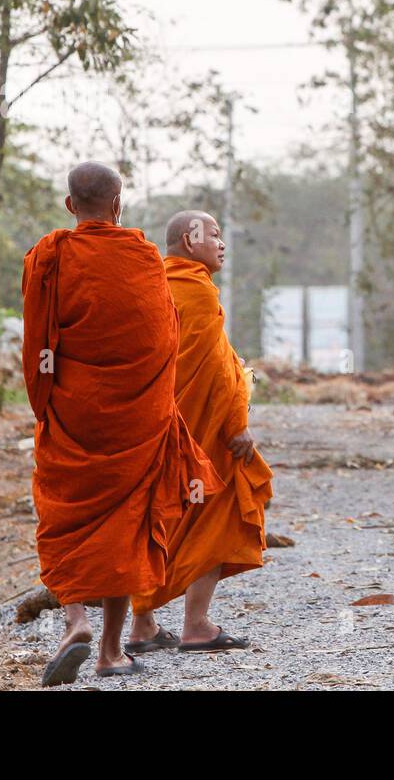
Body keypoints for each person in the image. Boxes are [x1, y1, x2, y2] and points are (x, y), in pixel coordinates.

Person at [21, 162, 223, 685]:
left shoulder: (49, 257)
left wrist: (46, 405)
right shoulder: (142, 257)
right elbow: (165, 341)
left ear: (70, 206)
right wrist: (154, 409)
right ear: (118, 204)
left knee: (63, 513)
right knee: (126, 525)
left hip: (72, 414)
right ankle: (111, 651)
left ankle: (75, 621)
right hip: (134, 422)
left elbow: (37, 343)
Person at [126, 210, 273, 654]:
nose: (222, 243)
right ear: (190, 240)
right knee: (219, 509)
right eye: (213, 234)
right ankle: (196, 625)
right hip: (205, 434)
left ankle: (143, 626)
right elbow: (214, 371)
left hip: (156, 427)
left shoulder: (152, 286)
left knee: (157, 515)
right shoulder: (199, 293)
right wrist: (238, 425)